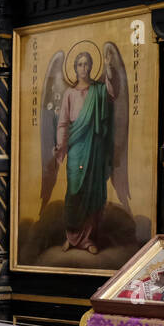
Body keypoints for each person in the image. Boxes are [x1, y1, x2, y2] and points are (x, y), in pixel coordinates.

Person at [52, 50, 117, 254]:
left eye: (86, 64)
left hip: (95, 147)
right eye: (79, 64)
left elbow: (111, 95)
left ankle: (88, 239)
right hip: (77, 146)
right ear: (75, 68)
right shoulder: (70, 94)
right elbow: (63, 123)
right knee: (74, 192)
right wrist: (60, 146)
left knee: (91, 191)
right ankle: (71, 237)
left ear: (90, 67)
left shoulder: (98, 90)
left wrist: (107, 68)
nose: (83, 68)